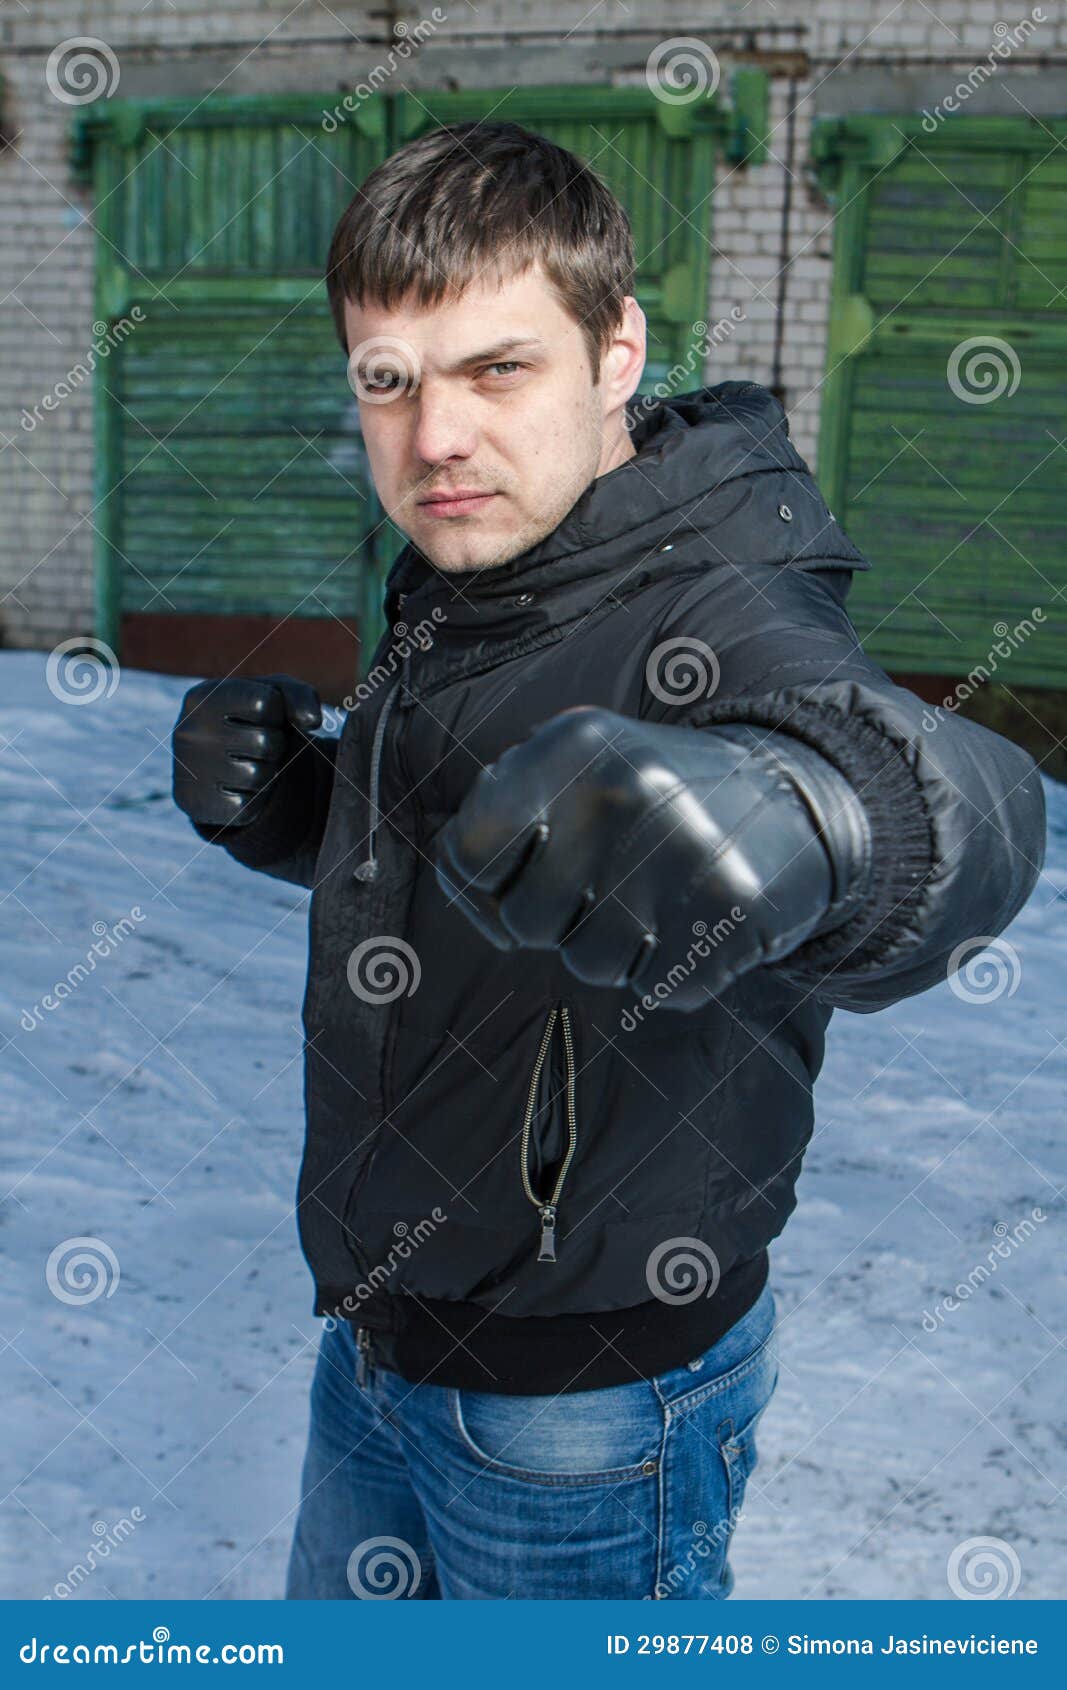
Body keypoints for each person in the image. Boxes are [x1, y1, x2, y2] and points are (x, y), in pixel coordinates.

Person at [171, 121, 1047, 1601]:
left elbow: (977, 810)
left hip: (583, 1407)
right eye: (389, 380)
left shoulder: (722, 602)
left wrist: (812, 816)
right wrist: (299, 806)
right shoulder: (479, 570)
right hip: (380, 1343)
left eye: (496, 368)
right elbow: (485, 862)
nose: (433, 436)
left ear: (617, 352)